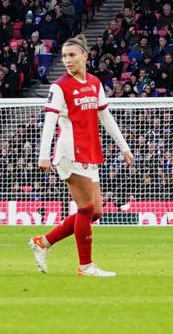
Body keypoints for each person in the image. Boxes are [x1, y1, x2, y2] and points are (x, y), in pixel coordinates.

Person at [30, 37, 133, 278]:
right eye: (64, 56)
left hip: (90, 152)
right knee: (86, 209)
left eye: (72, 55)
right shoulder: (59, 87)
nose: (67, 60)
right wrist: (43, 155)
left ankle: (42, 242)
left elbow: (106, 117)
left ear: (85, 56)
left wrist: (124, 147)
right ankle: (85, 266)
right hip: (69, 152)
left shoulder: (95, 83)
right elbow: (50, 121)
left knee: (95, 212)